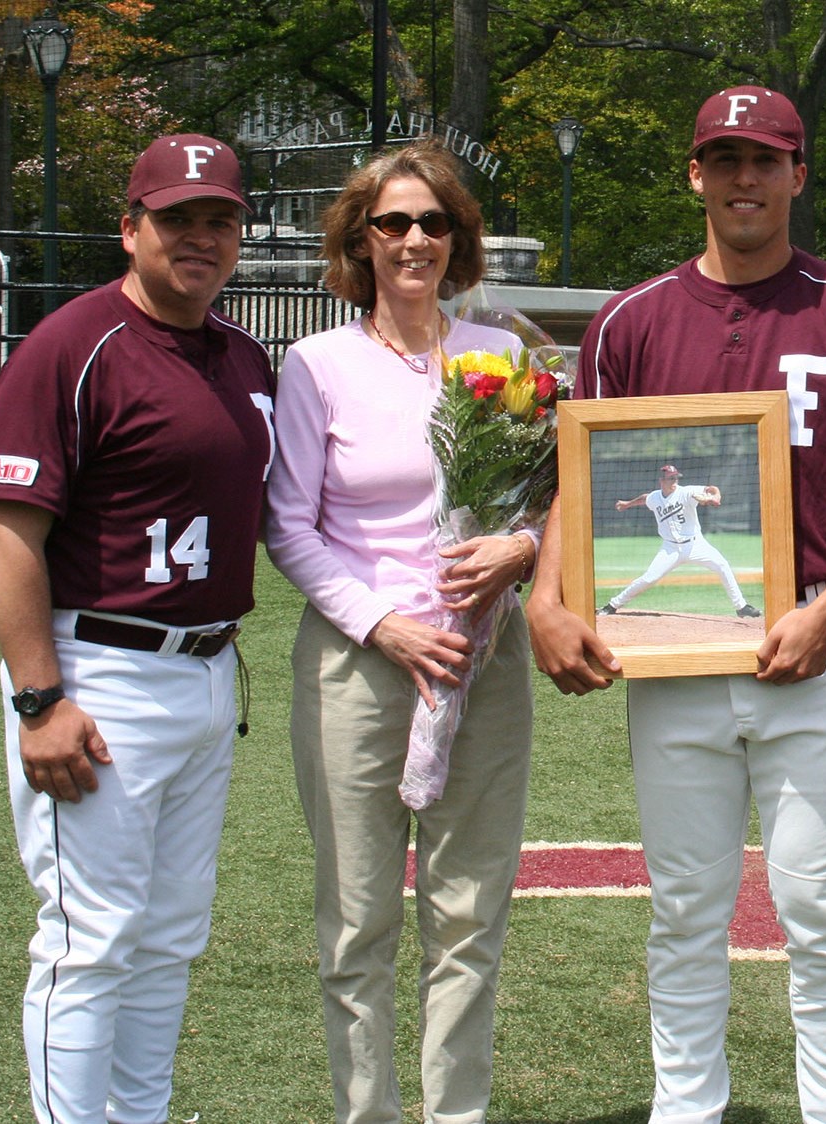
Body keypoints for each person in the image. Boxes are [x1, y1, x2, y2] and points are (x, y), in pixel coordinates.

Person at [524, 85, 826, 1123]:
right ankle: (685, 1109)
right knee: (687, 910)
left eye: (765, 158)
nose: (744, 177)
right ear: (694, 172)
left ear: (797, 173)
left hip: (812, 641)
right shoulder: (629, 318)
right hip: (673, 662)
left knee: (822, 914)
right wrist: (544, 596)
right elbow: (579, 470)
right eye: (724, 157)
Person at [0, 134, 272, 1124]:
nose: (200, 237)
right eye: (176, 217)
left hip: (207, 667)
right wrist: (40, 695)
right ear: (129, 227)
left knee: (170, 933)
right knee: (89, 936)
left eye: (219, 218)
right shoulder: (72, 342)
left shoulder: (242, 354)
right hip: (98, 668)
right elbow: (4, 530)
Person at [265, 141, 535, 1124]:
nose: (414, 239)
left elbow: (543, 497)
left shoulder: (499, 353)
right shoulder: (315, 364)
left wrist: (518, 549)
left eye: (433, 222)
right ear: (360, 240)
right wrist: (382, 624)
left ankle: (453, 1113)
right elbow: (288, 522)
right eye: (393, 223)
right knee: (358, 917)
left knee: (467, 916)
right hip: (358, 668)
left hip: (483, 661)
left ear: (457, 237)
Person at [601, 464, 760, 617]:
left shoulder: (686, 492)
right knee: (649, 578)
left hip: (695, 544)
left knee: (722, 565)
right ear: (661, 481)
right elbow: (645, 498)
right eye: (670, 478)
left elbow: (712, 488)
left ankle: (741, 607)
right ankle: (612, 605)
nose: (674, 481)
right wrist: (627, 504)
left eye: (676, 478)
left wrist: (715, 497)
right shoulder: (655, 497)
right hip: (670, 548)